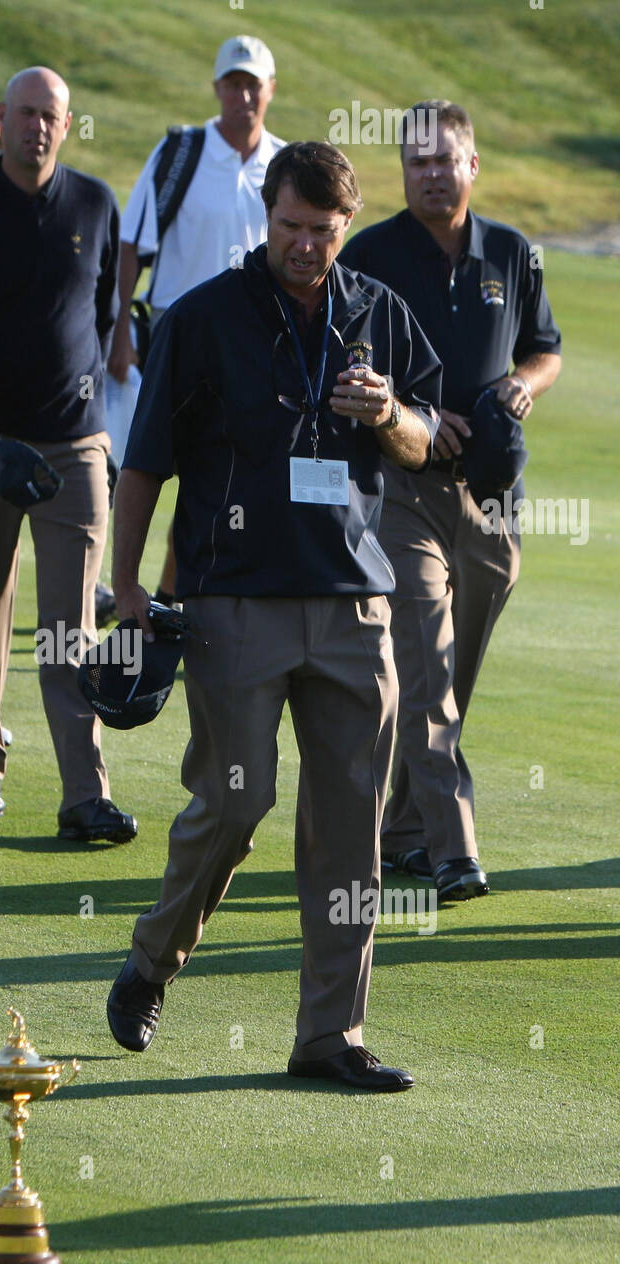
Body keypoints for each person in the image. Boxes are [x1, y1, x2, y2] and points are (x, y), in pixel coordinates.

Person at [107, 141, 443, 1089]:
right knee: (237, 802)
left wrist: (385, 415)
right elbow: (144, 463)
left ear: (348, 221)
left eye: (323, 232)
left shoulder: (379, 312)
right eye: (290, 227)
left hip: (352, 602)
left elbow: (425, 447)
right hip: (234, 596)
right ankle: (152, 961)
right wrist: (128, 586)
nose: (304, 246)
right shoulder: (204, 316)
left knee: (350, 829)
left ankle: (330, 1036)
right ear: (268, 211)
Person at [340, 101, 561, 903]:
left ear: (473, 166)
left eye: (447, 159)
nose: (433, 172)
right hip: (404, 492)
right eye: (418, 161)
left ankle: (400, 831)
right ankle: (454, 848)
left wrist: (518, 386)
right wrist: (418, 415)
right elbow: (351, 369)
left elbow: (547, 348)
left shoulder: (511, 251)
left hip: (496, 498)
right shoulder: (370, 254)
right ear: (404, 170)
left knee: (451, 681)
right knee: (429, 673)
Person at [0, 66, 136, 841]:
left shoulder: (95, 203)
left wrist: (91, 413)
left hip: (75, 444)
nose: (36, 127)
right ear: (2, 122)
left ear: (66, 125)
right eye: (25, 114)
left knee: (68, 627)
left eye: (51, 115)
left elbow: (105, 311)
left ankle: (85, 794)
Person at [109, 33, 285, 607]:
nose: (243, 95)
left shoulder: (284, 165)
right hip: (176, 336)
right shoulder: (180, 152)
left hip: (255, 344)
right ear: (217, 88)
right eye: (233, 84)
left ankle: (172, 595)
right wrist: (117, 334)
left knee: (217, 472)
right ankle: (124, 585)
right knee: (153, 464)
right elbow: (132, 243)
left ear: (270, 91)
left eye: (253, 84)